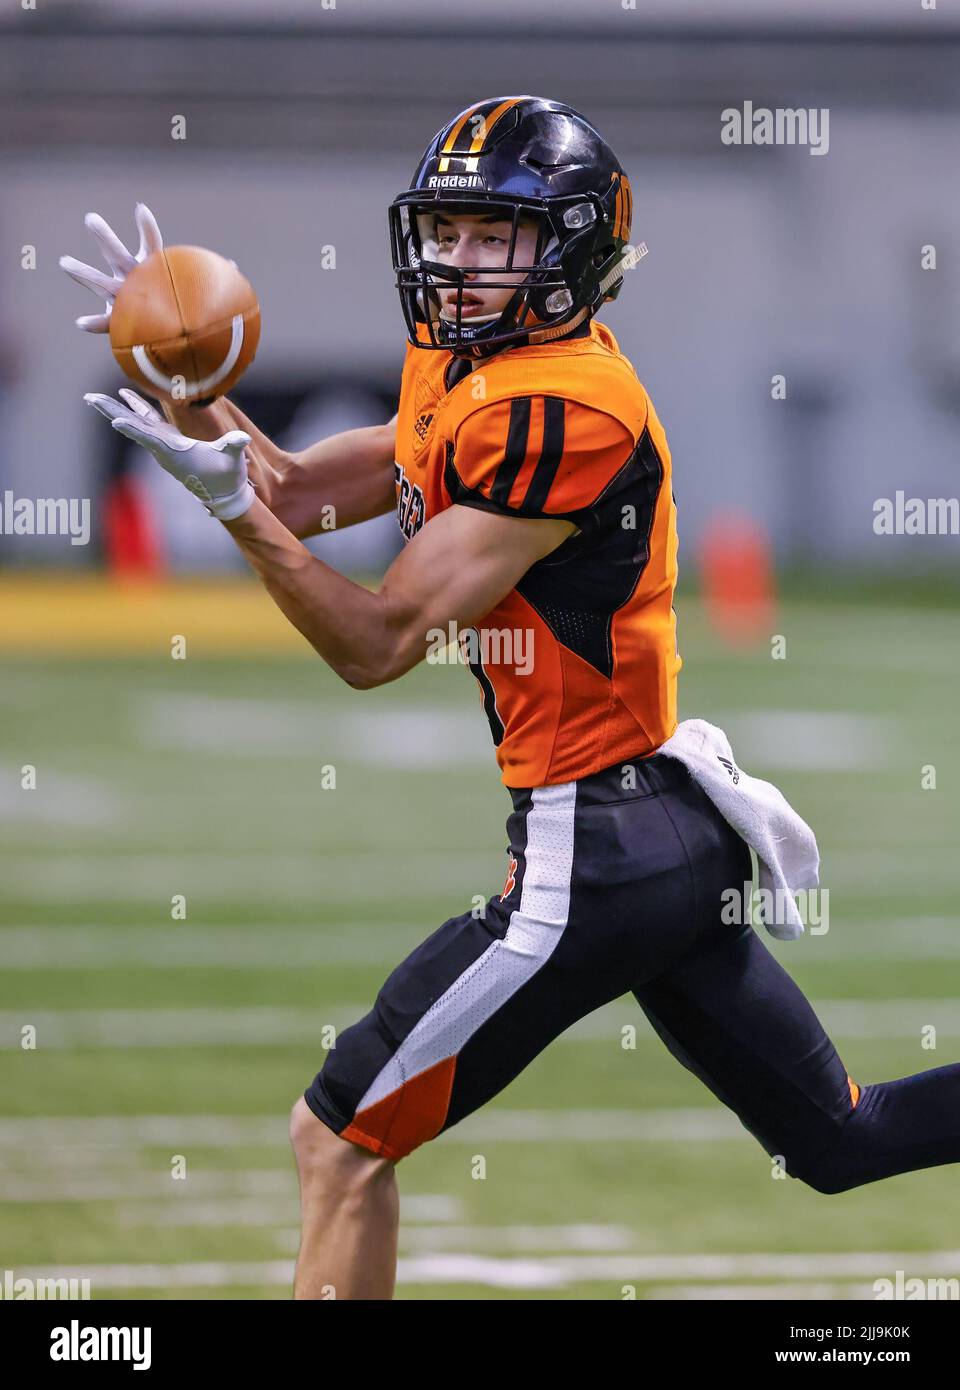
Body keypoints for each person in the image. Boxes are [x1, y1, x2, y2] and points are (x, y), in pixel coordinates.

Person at [64, 95, 960, 1303]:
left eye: (500, 239)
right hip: (672, 829)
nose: (462, 264)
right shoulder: (467, 364)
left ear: (578, 249)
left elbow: (376, 640)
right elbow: (291, 488)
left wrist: (230, 515)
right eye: (452, 233)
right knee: (839, 1139)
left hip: (595, 849)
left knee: (338, 1139)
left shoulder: (565, 410)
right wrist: (185, 370)